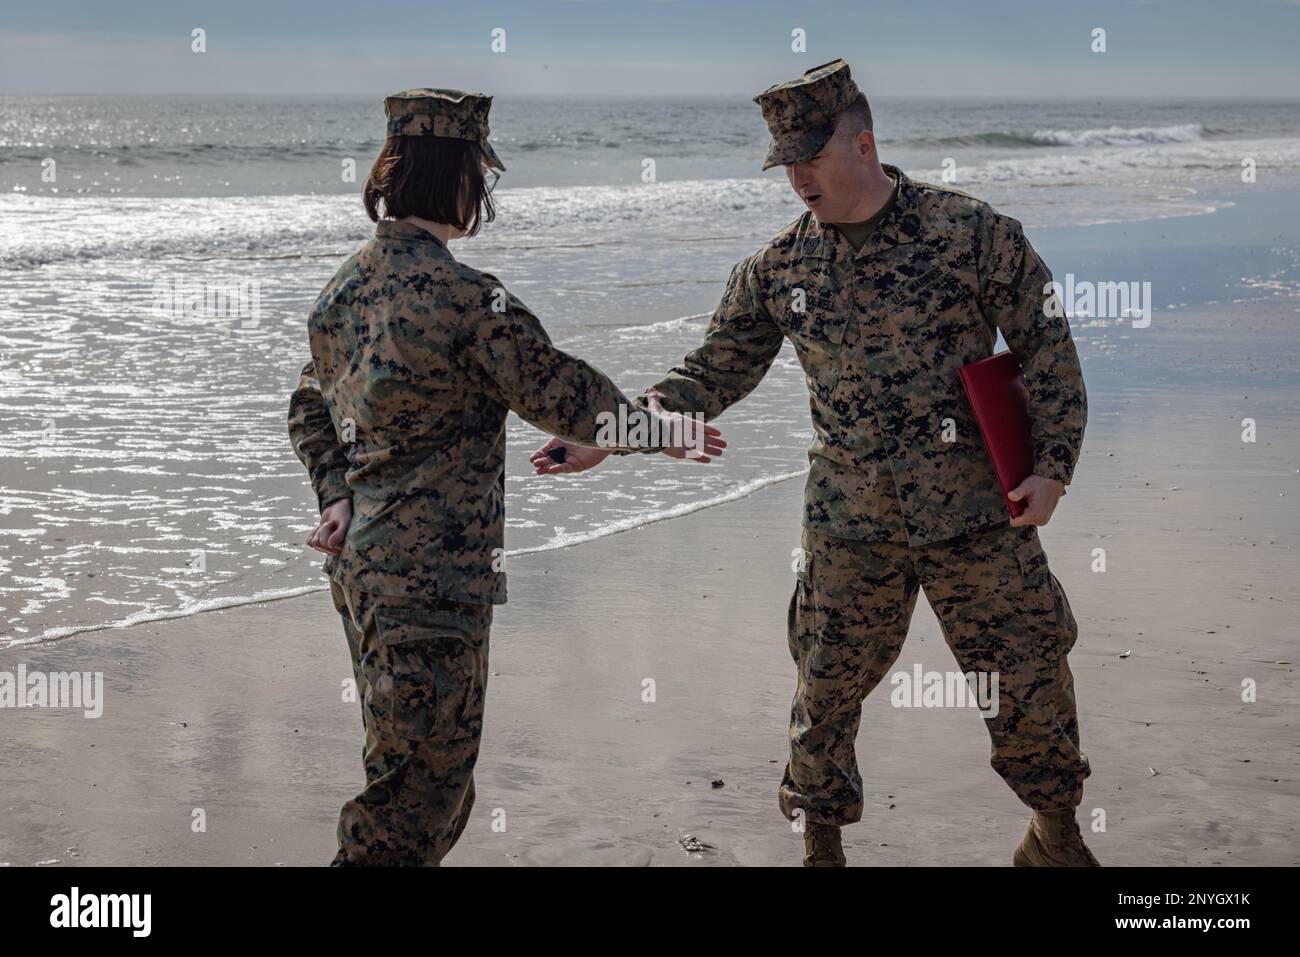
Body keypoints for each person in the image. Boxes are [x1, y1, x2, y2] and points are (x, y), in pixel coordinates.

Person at [531, 60, 1098, 867]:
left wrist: (1055, 466)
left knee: (1030, 675)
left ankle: (1055, 836)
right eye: (784, 163)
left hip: (978, 513)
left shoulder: (973, 235)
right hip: (849, 523)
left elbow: (1047, 349)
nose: (796, 178)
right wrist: (610, 433)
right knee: (824, 693)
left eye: (810, 158)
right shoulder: (778, 269)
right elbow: (710, 372)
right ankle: (821, 847)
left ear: (862, 143)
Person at [288, 87, 724, 866]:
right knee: (416, 802)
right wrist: (663, 431)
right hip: (434, 585)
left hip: (363, 576)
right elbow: (567, 396)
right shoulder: (467, 300)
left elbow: (307, 407)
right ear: (460, 176)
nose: (483, 194)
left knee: (406, 772)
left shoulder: (340, 291)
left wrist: (338, 493)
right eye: (480, 175)